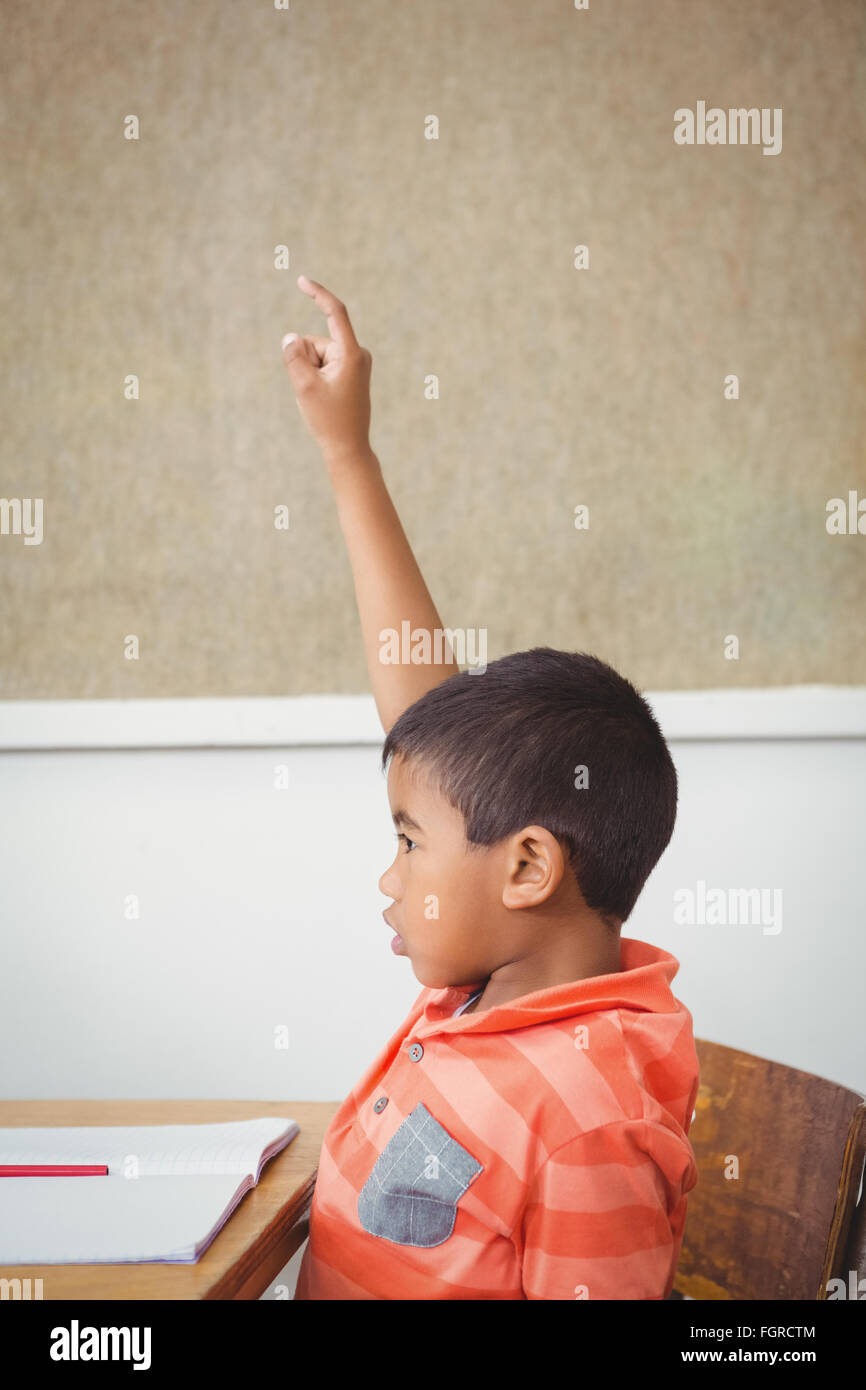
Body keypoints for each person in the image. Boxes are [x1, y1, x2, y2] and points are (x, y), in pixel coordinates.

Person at [280, 276, 699, 1300]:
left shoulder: (587, 1116)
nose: (389, 877)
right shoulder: (488, 989)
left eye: (409, 843)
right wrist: (347, 454)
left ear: (524, 867)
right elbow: (428, 728)